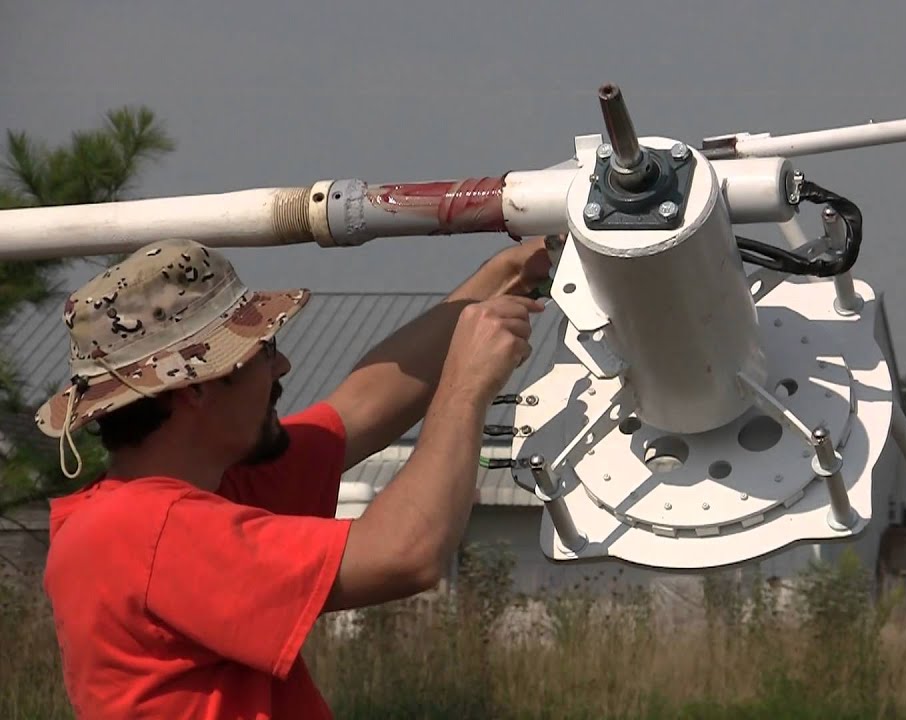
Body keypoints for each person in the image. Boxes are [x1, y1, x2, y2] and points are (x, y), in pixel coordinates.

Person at [37, 235, 550, 719]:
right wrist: (466, 388)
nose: (282, 364)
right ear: (196, 388)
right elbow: (406, 554)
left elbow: (361, 407)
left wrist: (509, 272)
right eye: (261, 349)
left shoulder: (196, 494)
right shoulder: (143, 532)